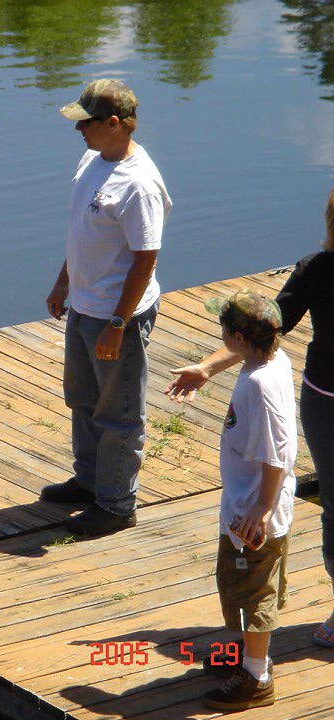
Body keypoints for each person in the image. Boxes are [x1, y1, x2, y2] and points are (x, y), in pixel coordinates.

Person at [167, 188, 334, 651]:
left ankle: (253, 669)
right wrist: (207, 367)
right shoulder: (317, 269)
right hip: (328, 400)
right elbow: (268, 328)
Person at [40, 79, 173, 537]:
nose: (79, 131)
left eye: (86, 122)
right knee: (82, 398)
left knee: (119, 414)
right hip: (83, 305)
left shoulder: (139, 184)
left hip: (119, 316)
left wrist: (118, 323)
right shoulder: (91, 159)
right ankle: (91, 480)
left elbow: (145, 258)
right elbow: (82, 232)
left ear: (113, 124)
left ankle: (117, 504)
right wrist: (63, 282)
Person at [183, 290, 296, 710]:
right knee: (240, 586)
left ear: (237, 336)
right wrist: (206, 368)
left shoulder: (259, 386)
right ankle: (245, 655)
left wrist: (261, 511)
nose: (220, 332)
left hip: (254, 511)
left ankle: (256, 675)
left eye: (224, 328)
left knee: (256, 594)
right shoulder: (271, 360)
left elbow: (276, 453)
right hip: (247, 504)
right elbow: (237, 354)